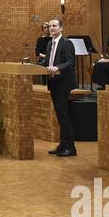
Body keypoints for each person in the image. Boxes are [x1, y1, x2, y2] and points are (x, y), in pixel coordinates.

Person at [40, 18, 77, 156]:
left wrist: (57, 67)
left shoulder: (67, 43)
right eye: (50, 26)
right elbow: (48, 62)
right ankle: (63, 144)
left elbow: (71, 62)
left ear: (61, 28)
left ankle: (71, 147)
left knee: (63, 114)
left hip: (63, 83)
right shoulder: (50, 43)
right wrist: (35, 65)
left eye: (54, 26)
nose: (51, 28)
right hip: (53, 83)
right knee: (60, 115)